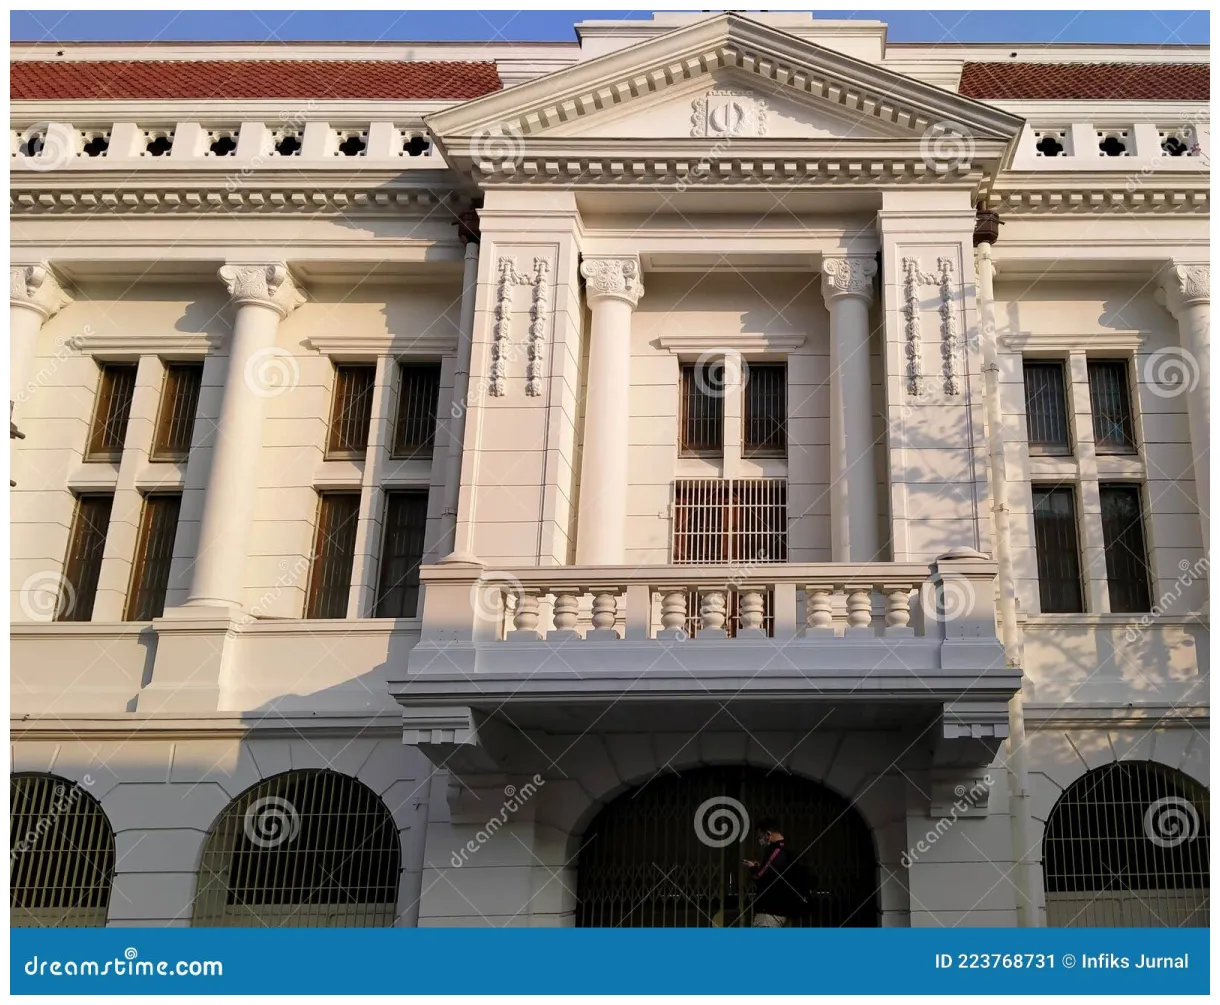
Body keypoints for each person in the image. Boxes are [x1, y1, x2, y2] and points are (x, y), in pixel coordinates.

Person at [743, 819, 802, 927]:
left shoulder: (777, 851)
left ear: (768, 834)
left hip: (770, 912)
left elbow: (760, 877)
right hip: (783, 911)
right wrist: (760, 867)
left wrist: (752, 868)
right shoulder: (788, 849)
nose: (759, 840)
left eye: (760, 837)